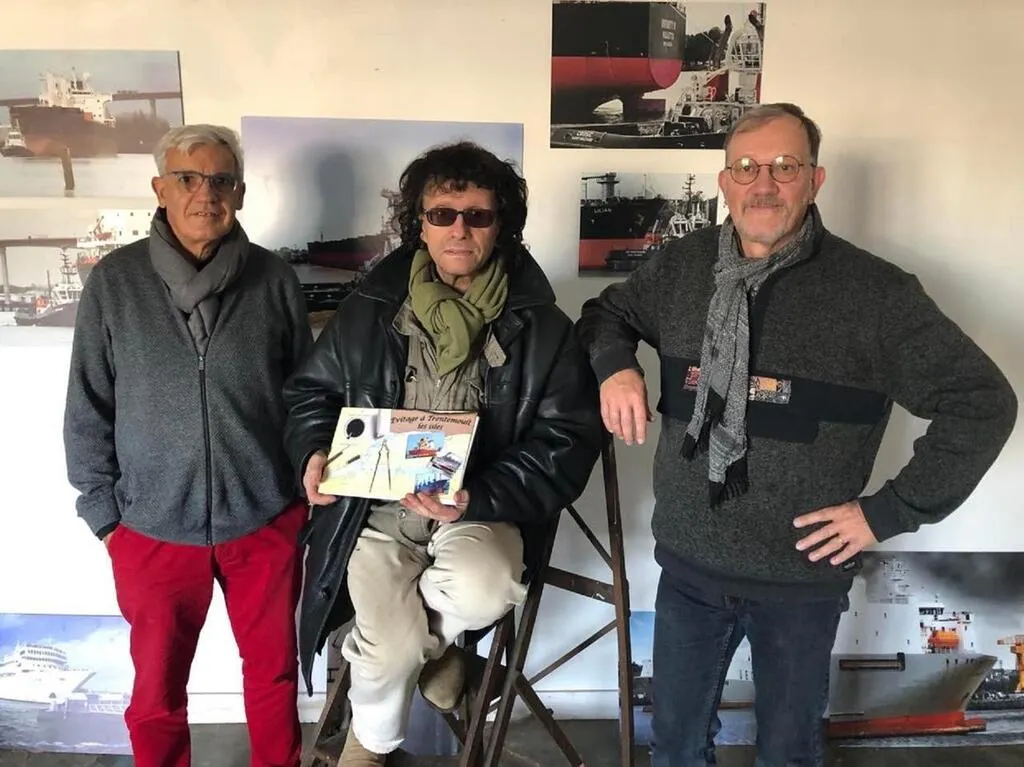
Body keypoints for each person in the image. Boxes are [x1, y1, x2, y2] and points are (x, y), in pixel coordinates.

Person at [576, 103, 1017, 766]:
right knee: (674, 748)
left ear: (815, 179)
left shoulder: (876, 295)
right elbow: (604, 317)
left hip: (800, 581)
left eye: (785, 166)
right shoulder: (679, 269)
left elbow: (982, 402)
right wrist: (615, 369)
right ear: (724, 182)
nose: (764, 183)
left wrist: (886, 512)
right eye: (747, 167)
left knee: (787, 753)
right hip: (689, 567)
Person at [283, 140, 603, 765]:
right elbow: (310, 397)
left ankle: (426, 652)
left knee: (488, 587)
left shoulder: (545, 329)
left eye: (478, 215)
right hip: (374, 511)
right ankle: (375, 741)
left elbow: (567, 444)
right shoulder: (369, 312)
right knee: (390, 648)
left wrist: (476, 495)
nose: (460, 229)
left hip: (477, 509)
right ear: (419, 225)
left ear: (500, 225)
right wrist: (312, 455)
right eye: (442, 214)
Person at [63, 124, 313, 767]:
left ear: (241, 192)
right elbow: (87, 405)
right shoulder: (115, 283)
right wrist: (106, 518)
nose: (207, 193)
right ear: (160, 189)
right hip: (150, 528)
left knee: (275, 680)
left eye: (221, 180)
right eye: (188, 178)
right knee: (155, 695)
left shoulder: (275, 279)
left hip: (263, 521)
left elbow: (306, 399)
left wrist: (297, 501)